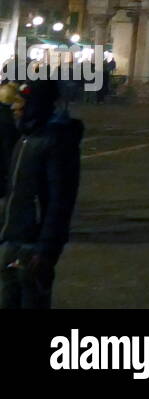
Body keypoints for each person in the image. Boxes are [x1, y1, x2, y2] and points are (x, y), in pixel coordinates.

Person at [0, 79, 83, 309]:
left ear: (36, 105)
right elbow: (15, 191)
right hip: (12, 239)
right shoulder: (26, 138)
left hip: (33, 246)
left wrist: (46, 249)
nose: (15, 108)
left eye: (21, 103)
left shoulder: (56, 142)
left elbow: (60, 201)